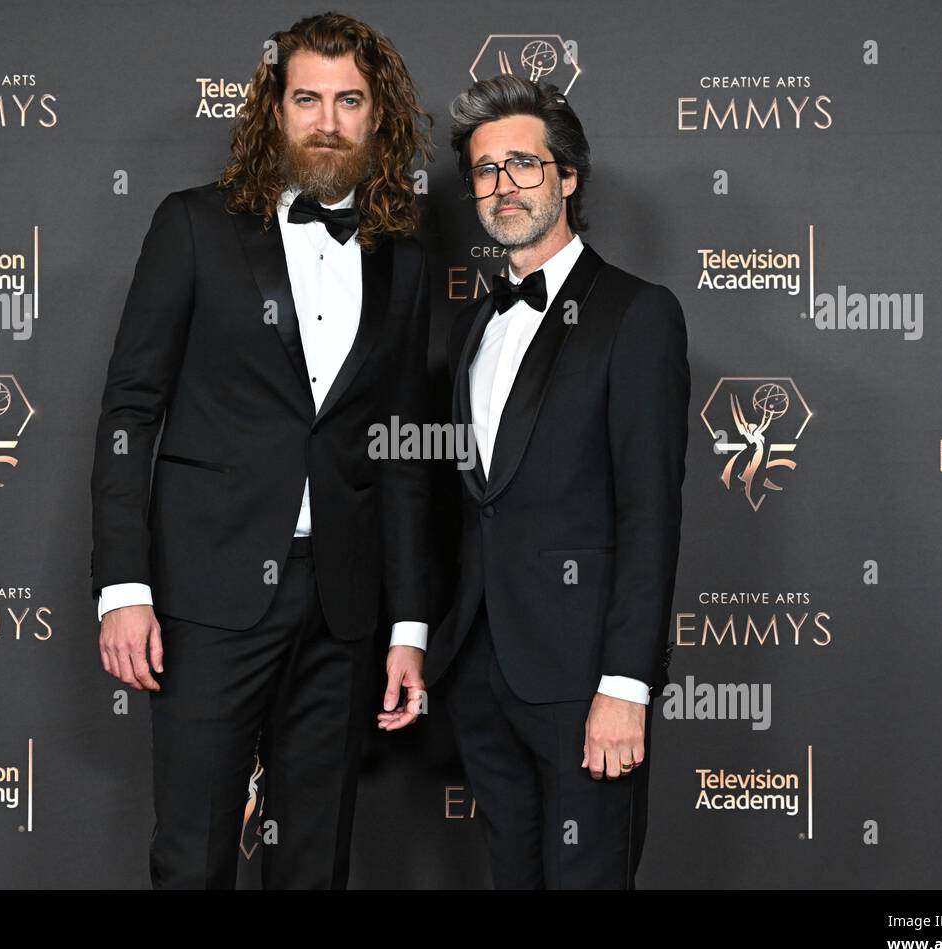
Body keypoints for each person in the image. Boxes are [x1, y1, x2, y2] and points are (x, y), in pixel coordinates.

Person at [90, 12, 433, 889]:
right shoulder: (194, 226)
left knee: (313, 860)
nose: (327, 120)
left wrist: (407, 624)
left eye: (349, 101)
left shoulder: (405, 260)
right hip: (206, 595)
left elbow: (397, 454)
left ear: (377, 117)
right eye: (308, 98)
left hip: (345, 605)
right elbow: (132, 408)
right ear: (274, 110)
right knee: (193, 851)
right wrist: (124, 587)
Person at [423, 74, 688, 889]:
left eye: (525, 165)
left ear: (567, 176)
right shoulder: (476, 324)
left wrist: (625, 685)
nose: (504, 186)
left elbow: (650, 514)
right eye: (486, 171)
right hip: (481, 670)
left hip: (584, 685)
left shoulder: (636, 314)